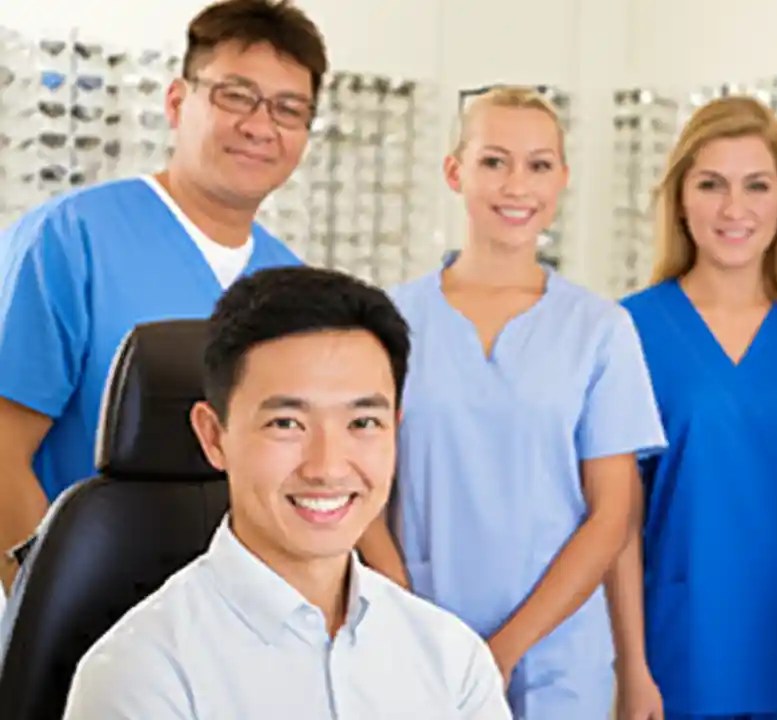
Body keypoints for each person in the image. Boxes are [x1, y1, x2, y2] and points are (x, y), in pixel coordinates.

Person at [62, 266, 511, 719]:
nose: (327, 468)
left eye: (362, 423)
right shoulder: (142, 674)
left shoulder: (453, 660)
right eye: (286, 424)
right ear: (214, 437)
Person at [355, 86, 667, 719]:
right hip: (422, 644)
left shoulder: (599, 330)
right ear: (455, 171)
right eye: (494, 161)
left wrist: (502, 652)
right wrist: (412, 621)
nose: (516, 185)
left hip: (561, 660)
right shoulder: (389, 320)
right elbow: (360, 486)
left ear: (562, 179)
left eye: (539, 164)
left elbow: (612, 517)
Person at [0, 0, 321, 593]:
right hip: (88, 609)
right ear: (177, 102)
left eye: (288, 109)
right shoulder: (72, 240)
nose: (260, 126)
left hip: (235, 619)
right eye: (235, 96)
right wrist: (42, 609)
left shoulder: (292, 286)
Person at [614, 96, 777, 720]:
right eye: (711, 185)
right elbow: (615, 525)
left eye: (756, 185)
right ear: (680, 199)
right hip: (678, 652)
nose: (733, 209)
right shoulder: (628, 332)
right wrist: (631, 667)